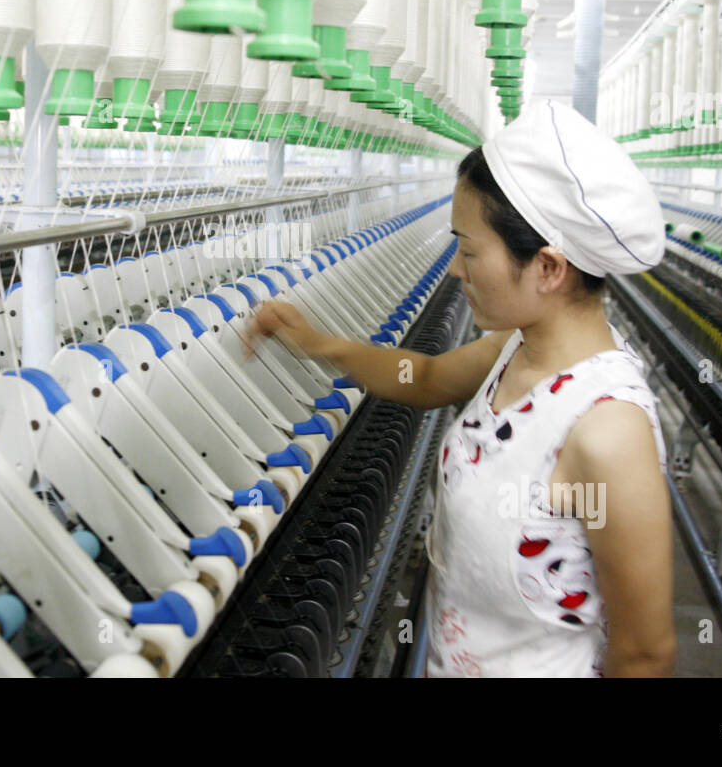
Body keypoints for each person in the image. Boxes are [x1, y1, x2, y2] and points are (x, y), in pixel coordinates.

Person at [245, 100, 675, 678]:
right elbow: (420, 378)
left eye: (469, 251)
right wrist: (317, 344)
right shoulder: (513, 351)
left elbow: (644, 655)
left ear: (548, 268)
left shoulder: (607, 430)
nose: (455, 269)